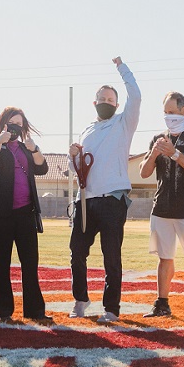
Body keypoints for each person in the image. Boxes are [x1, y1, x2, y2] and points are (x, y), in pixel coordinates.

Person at [69, 57, 141, 323]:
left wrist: (121, 66)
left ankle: (111, 309)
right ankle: (81, 299)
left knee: (111, 256)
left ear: (118, 105)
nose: (106, 103)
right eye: (102, 99)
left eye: (111, 100)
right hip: (85, 201)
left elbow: (136, 94)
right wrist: (72, 154)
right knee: (77, 252)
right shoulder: (87, 129)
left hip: (112, 200)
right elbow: (78, 168)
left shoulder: (124, 123)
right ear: (94, 102)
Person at [139, 92, 184, 318]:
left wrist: (175, 154)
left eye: (172, 112)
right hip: (162, 208)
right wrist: (154, 153)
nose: (169, 117)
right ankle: (162, 303)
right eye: (165, 113)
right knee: (164, 257)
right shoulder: (158, 137)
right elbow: (144, 172)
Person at [0, 107, 51, 323]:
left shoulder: (25, 148)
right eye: (11, 123)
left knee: (30, 264)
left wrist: (34, 149)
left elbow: (42, 169)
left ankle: (35, 310)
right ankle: (5, 311)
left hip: (25, 214)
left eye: (19, 125)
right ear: (3, 123)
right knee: (2, 264)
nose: (15, 128)